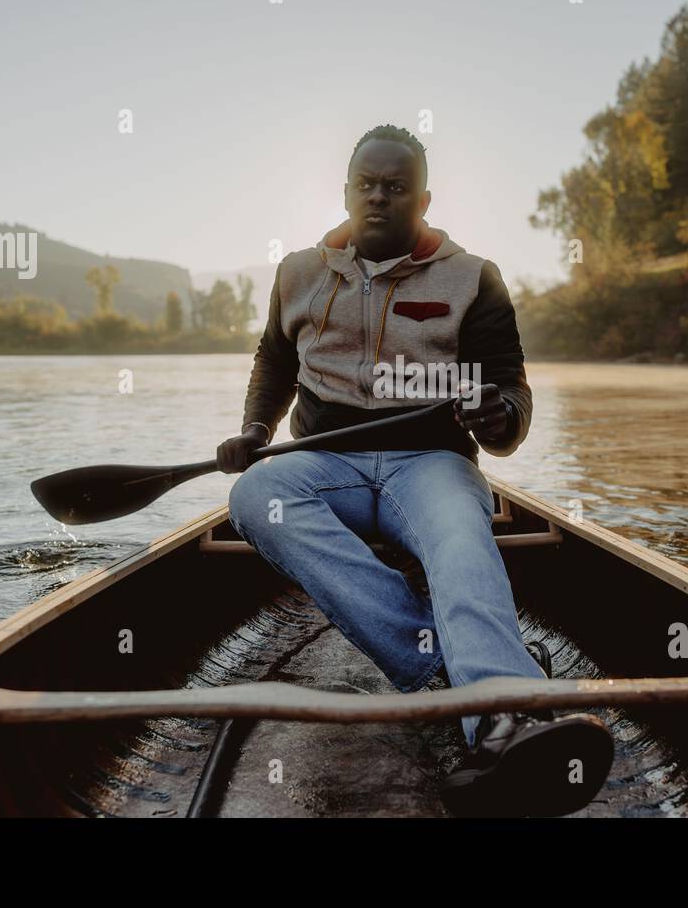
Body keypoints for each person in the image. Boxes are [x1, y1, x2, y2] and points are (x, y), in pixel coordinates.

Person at [217, 124, 614, 817]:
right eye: (366, 185)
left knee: (462, 535)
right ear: (344, 191)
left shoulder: (474, 278)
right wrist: (255, 428)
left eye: (395, 187)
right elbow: (274, 361)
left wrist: (500, 420)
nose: (378, 197)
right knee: (255, 494)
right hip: (324, 463)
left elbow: (510, 396)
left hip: (430, 464)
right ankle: (434, 668)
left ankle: (506, 714)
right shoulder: (298, 274)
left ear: (422, 199)